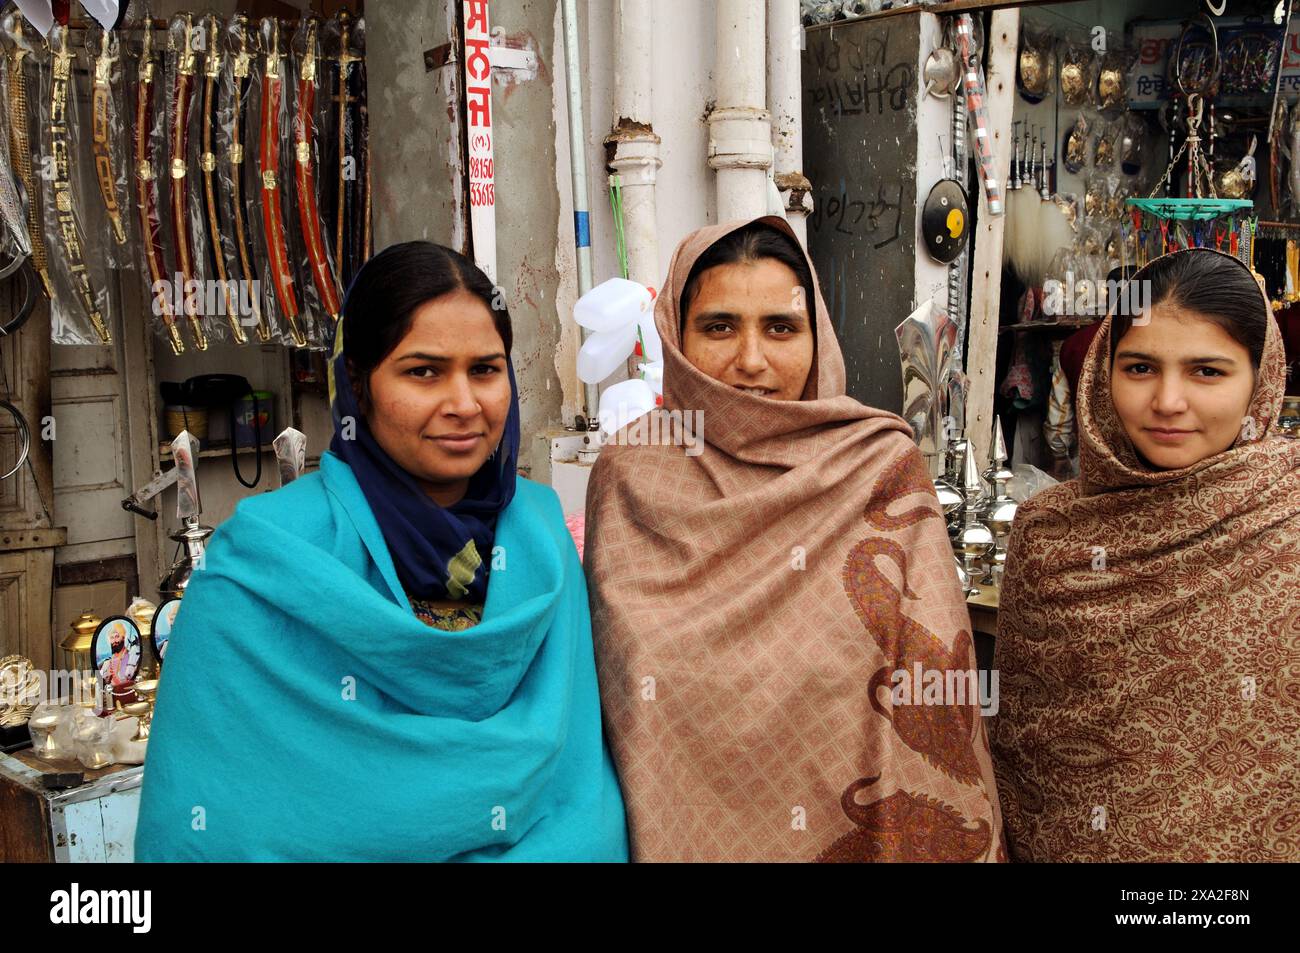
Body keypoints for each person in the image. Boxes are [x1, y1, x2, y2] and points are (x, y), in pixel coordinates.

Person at [135, 241, 627, 862]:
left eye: (485, 369)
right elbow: (212, 822)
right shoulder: (260, 566)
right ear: (358, 384)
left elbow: (579, 793)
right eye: (423, 371)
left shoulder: (541, 538)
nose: (464, 404)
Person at [585, 216, 1004, 862]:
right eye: (718, 326)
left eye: (781, 328)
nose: (751, 359)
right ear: (675, 334)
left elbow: (936, 701)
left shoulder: (878, 469)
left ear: (819, 338)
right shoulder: (631, 476)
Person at [992, 248, 1300, 862]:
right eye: (1138, 368)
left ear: (1259, 380)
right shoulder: (1048, 535)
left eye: (1207, 372)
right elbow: (1028, 753)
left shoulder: (1288, 514)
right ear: (1103, 372)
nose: (1167, 401)